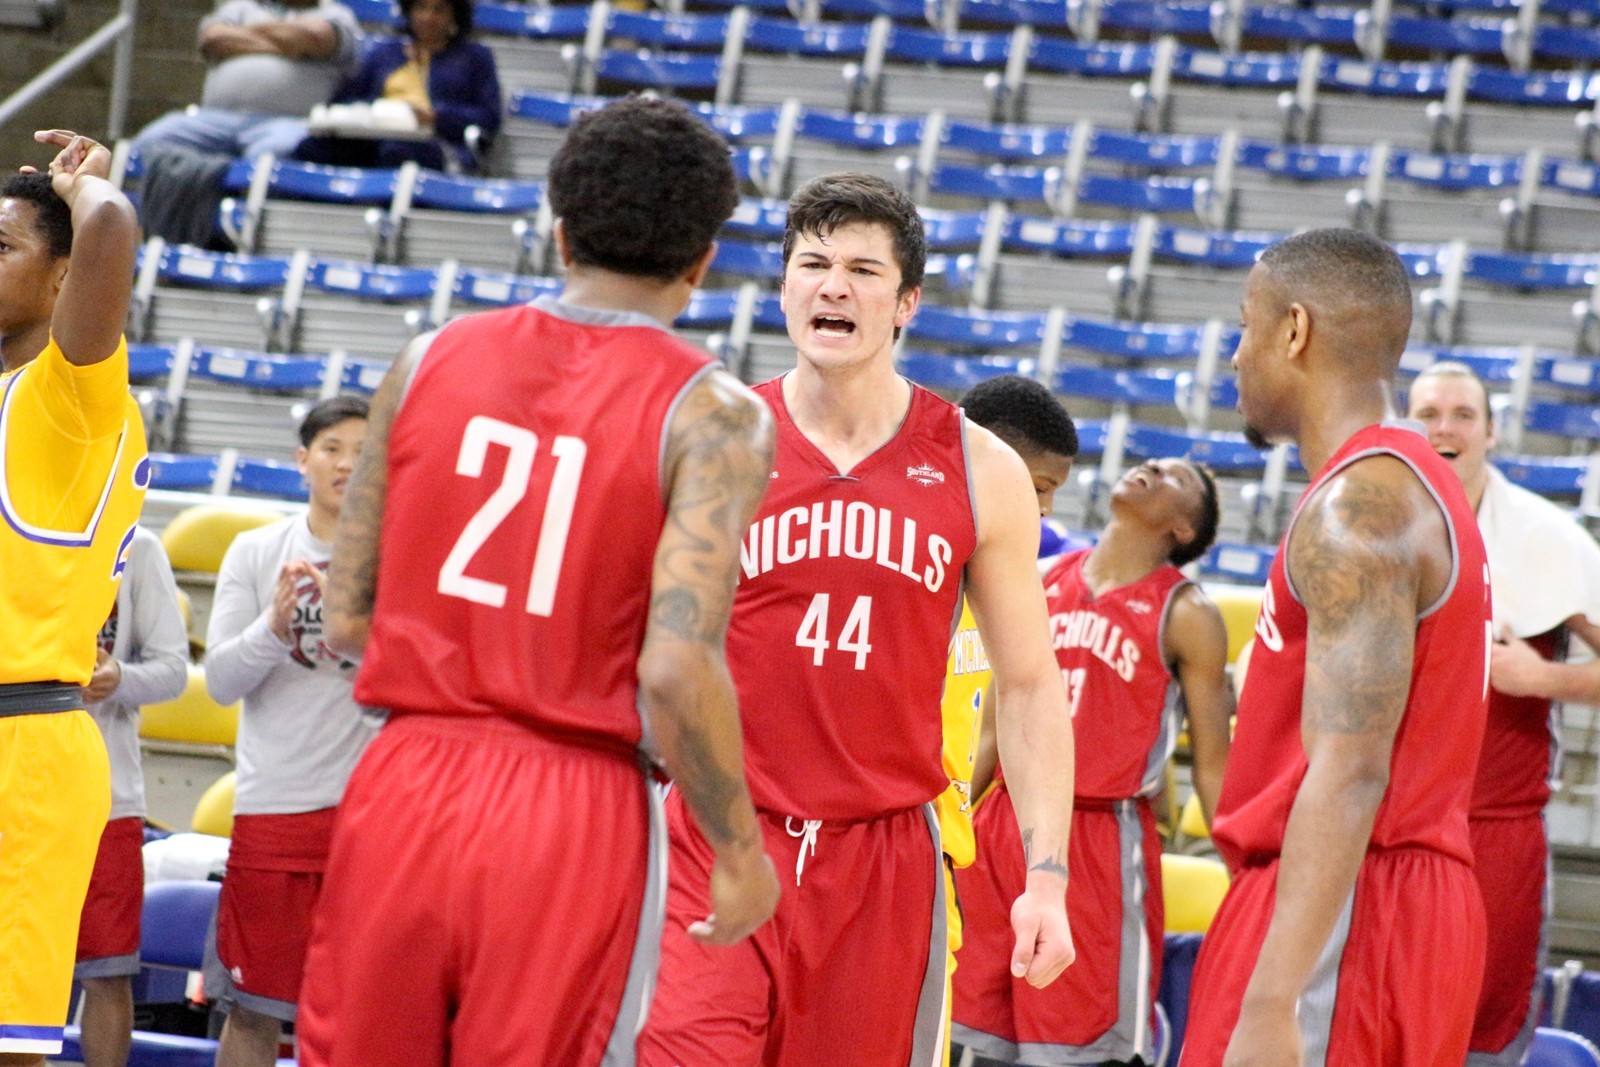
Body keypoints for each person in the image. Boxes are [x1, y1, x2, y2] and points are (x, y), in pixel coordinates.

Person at [296, 96, 780, 1067]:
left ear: (557, 230)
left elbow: (347, 611)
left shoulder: (425, 358)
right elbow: (676, 668)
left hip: (402, 779)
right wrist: (737, 848)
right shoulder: (715, 412)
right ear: (703, 259)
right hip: (572, 805)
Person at [638, 174, 1078, 1067]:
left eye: (863, 270)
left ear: (906, 301)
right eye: (813, 264)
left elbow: (1030, 684)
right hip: (719, 830)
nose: (833, 285)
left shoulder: (978, 465)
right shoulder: (712, 434)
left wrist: (1047, 876)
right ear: (785, 287)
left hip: (882, 861)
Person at [1179, 228, 1492, 1067]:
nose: (1236, 354)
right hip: (1378, 902)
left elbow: (1351, 769)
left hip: (1348, 910)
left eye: (1245, 326)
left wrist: (1274, 998)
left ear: (1294, 330)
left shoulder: (1362, 507)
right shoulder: (1398, 481)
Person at [953, 455, 1233, 1067]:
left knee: (1084, 1049)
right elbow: (992, 731)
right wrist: (955, 833)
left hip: (1100, 838)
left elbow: (1213, 763)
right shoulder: (1041, 577)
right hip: (1003, 823)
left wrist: (1244, 876)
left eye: (1177, 479)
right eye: (1155, 462)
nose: (1153, 468)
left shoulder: (1188, 614)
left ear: (1183, 531)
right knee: (977, 1040)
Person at [1406, 361, 1600, 1067]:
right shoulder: (1372, 523)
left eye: (1462, 413)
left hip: (1494, 830)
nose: (1445, 427)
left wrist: (1542, 674)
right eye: (1429, 412)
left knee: (1480, 1040)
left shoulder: (1545, 536)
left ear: (1491, 430)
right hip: (1382, 825)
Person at [0, 130, 146, 1066]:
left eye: (4, 244)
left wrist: (87, 192)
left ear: (60, 280)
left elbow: (115, 232)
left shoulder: (68, 393)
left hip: (23, 743)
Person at [202, 396, 378, 1067]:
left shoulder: (403, 556)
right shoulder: (256, 550)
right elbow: (220, 680)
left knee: (364, 1017)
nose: (348, 464)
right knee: (253, 1012)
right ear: (303, 461)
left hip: (374, 816)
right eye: (334, 448)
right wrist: (276, 626)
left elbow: (419, 685)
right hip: (275, 809)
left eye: (365, 453)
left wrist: (354, 629)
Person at [938, 373, 1079, 1060]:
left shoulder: (1002, 582)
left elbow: (1008, 710)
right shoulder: (912, 544)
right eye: (1041, 487)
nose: (1045, 511)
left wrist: (1043, 872)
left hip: (928, 859)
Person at [74, 528, 189, 1067]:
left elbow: (173, 671)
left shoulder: (138, 549)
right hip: (17, 791)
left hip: (108, 796)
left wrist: (117, 675)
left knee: (108, 971)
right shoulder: (15, 538)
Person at [132, 0, 362, 163]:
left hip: (287, 124)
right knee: (150, 142)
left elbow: (315, 37)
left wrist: (244, 34)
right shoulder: (240, 7)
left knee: (272, 155)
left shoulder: (336, 14)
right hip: (213, 121)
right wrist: (288, 46)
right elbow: (213, 38)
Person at [295, 0, 501, 172]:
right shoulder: (385, 53)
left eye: (439, 10)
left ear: (455, 15)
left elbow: (488, 117)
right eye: (421, 8)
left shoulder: (475, 57)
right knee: (311, 149)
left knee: (396, 152)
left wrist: (437, 116)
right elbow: (347, 99)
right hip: (374, 138)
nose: (428, 17)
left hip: (436, 144)